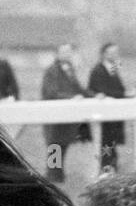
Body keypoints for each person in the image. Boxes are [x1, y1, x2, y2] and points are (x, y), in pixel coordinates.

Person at [40, 43, 91, 184]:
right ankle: (52, 177)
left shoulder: (70, 70)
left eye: (69, 52)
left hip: (65, 116)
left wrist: (94, 95)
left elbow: (79, 89)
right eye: (64, 52)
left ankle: (58, 176)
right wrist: (71, 97)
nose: (67, 54)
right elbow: (52, 92)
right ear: (57, 54)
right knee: (54, 145)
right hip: (54, 116)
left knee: (62, 145)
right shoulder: (51, 71)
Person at [87, 42, 129, 173]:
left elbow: (119, 88)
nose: (115, 55)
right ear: (104, 54)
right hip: (103, 115)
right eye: (112, 53)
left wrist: (126, 93)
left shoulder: (113, 69)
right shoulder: (98, 70)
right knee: (106, 144)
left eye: (116, 52)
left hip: (113, 115)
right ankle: (107, 172)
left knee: (111, 145)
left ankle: (111, 171)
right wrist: (124, 94)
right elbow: (102, 90)